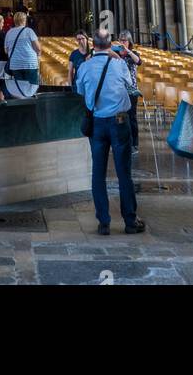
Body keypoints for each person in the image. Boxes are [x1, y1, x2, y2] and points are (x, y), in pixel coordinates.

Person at [75, 29, 145, 237]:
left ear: (93, 45)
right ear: (109, 44)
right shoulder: (119, 64)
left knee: (98, 173)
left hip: (97, 123)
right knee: (124, 173)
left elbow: (80, 91)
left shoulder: (85, 67)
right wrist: (116, 57)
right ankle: (130, 221)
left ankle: (104, 222)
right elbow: (130, 84)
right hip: (119, 121)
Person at [114, 30, 141, 150]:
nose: (122, 42)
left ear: (129, 42)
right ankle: (122, 141)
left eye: (124, 40)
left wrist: (128, 51)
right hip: (118, 89)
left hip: (131, 90)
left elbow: (138, 62)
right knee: (119, 117)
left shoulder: (133, 53)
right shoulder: (117, 54)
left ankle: (134, 143)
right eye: (120, 40)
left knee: (131, 117)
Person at [3, 10, 41, 99]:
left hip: (15, 64)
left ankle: (22, 105)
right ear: (24, 20)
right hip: (30, 64)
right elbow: (38, 48)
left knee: (20, 89)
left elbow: (6, 50)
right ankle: (31, 106)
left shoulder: (9, 33)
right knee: (31, 89)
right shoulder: (29, 31)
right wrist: (38, 54)